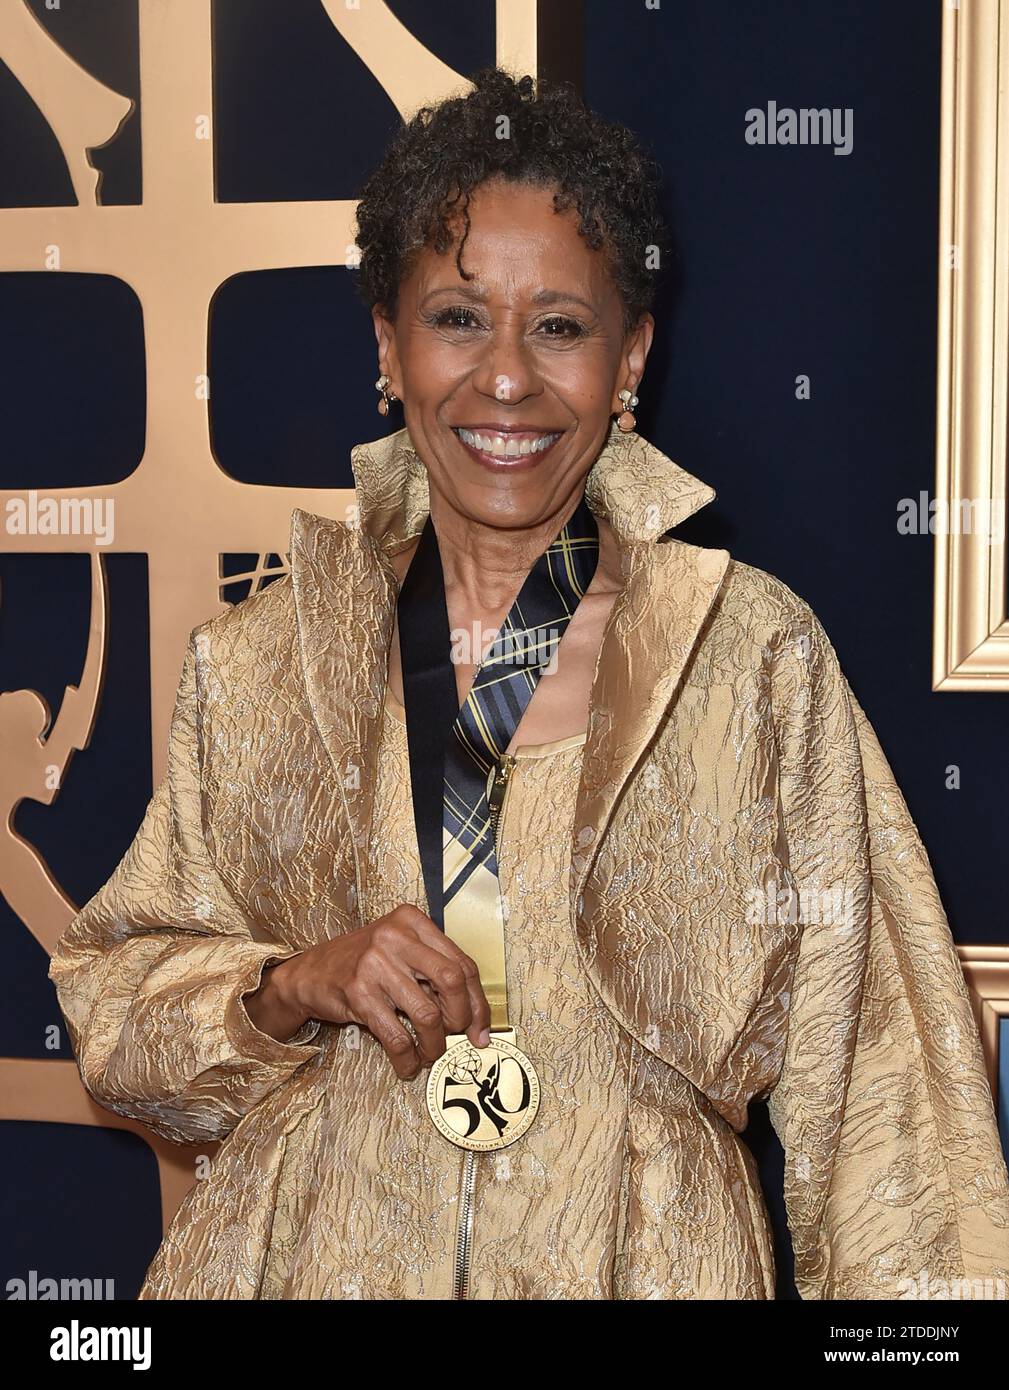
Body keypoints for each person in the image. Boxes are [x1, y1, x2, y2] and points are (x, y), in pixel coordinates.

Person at [49, 67, 1009, 1301]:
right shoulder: (256, 666)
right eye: (456, 318)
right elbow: (118, 1017)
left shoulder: (752, 658)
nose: (506, 378)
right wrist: (288, 984)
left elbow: (894, 1111)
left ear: (630, 358)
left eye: (559, 325)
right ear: (388, 345)